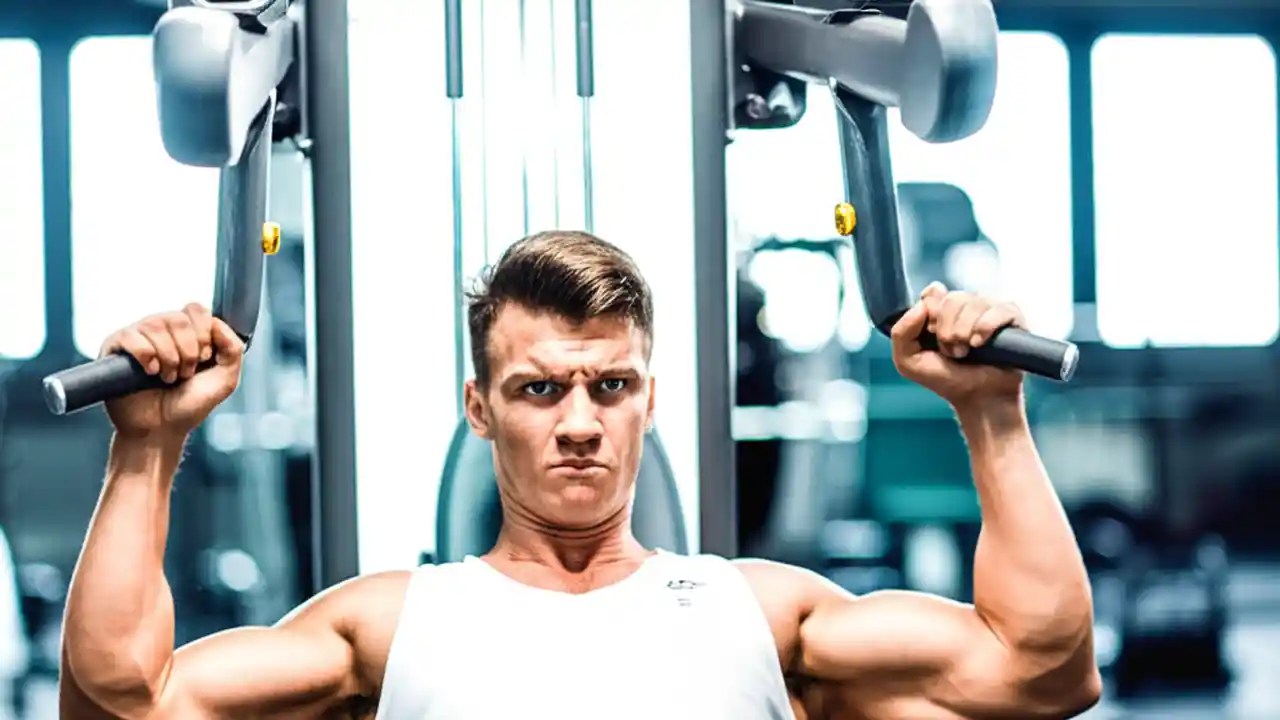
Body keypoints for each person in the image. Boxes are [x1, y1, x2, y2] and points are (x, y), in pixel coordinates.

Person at [59, 231, 1101, 719]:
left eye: (610, 387)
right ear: (479, 409)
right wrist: (146, 447)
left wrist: (991, 414)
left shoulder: (760, 613)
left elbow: (1039, 671)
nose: (578, 424)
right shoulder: (387, 624)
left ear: (649, 401)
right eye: (537, 390)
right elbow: (120, 707)